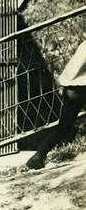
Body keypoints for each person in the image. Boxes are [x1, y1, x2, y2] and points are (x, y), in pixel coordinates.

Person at [26, 35, 86, 170]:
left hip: (71, 87)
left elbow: (71, 70)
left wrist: (64, 85)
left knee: (64, 125)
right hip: (80, 87)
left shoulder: (83, 45)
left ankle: (39, 155)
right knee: (65, 124)